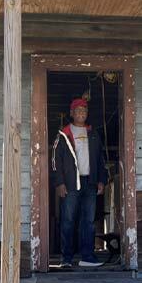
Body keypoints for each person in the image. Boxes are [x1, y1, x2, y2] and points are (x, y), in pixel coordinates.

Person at [50, 97, 108, 268]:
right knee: (68, 220)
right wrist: (59, 183)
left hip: (90, 182)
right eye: (78, 110)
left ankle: (87, 257)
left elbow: (100, 159)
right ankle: (66, 259)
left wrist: (101, 180)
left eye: (84, 110)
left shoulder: (93, 134)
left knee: (88, 221)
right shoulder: (63, 134)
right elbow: (55, 160)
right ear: (72, 113)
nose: (82, 113)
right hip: (70, 184)